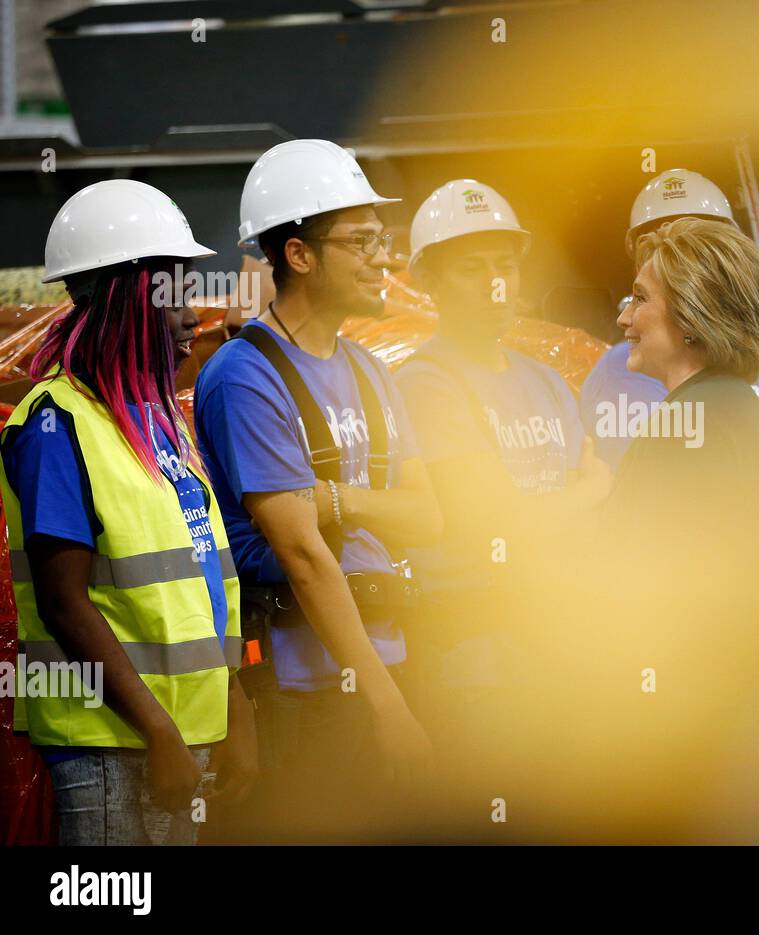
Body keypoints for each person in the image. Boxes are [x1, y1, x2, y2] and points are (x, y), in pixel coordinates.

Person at [194, 139, 439, 838]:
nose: (383, 258)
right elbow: (302, 557)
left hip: (386, 658)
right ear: (299, 255)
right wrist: (389, 708)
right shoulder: (246, 377)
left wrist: (339, 499)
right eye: (362, 242)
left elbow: (429, 516)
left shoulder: (369, 368)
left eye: (382, 239)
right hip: (305, 689)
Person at [0, 179, 252, 845]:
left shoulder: (163, 421)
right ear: (126, 300)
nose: (191, 317)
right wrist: (160, 732)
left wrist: (235, 706)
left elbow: (204, 580)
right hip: (113, 744)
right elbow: (64, 602)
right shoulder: (57, 422)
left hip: (179, 734)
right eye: (173, 296)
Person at [393, 179, 611, 719]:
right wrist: (590, 490)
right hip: (477, 660)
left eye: (505, 266)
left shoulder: (547, 382)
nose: (495, 285)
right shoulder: (426, 383)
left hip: (558, 638)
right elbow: (492, 525)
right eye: (472, 269)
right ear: (430, 282)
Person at [580, 168, 759, 552]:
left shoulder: (730, 396)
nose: (625, 317)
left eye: (701, 245)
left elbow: (663, 562)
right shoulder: (723, 394)